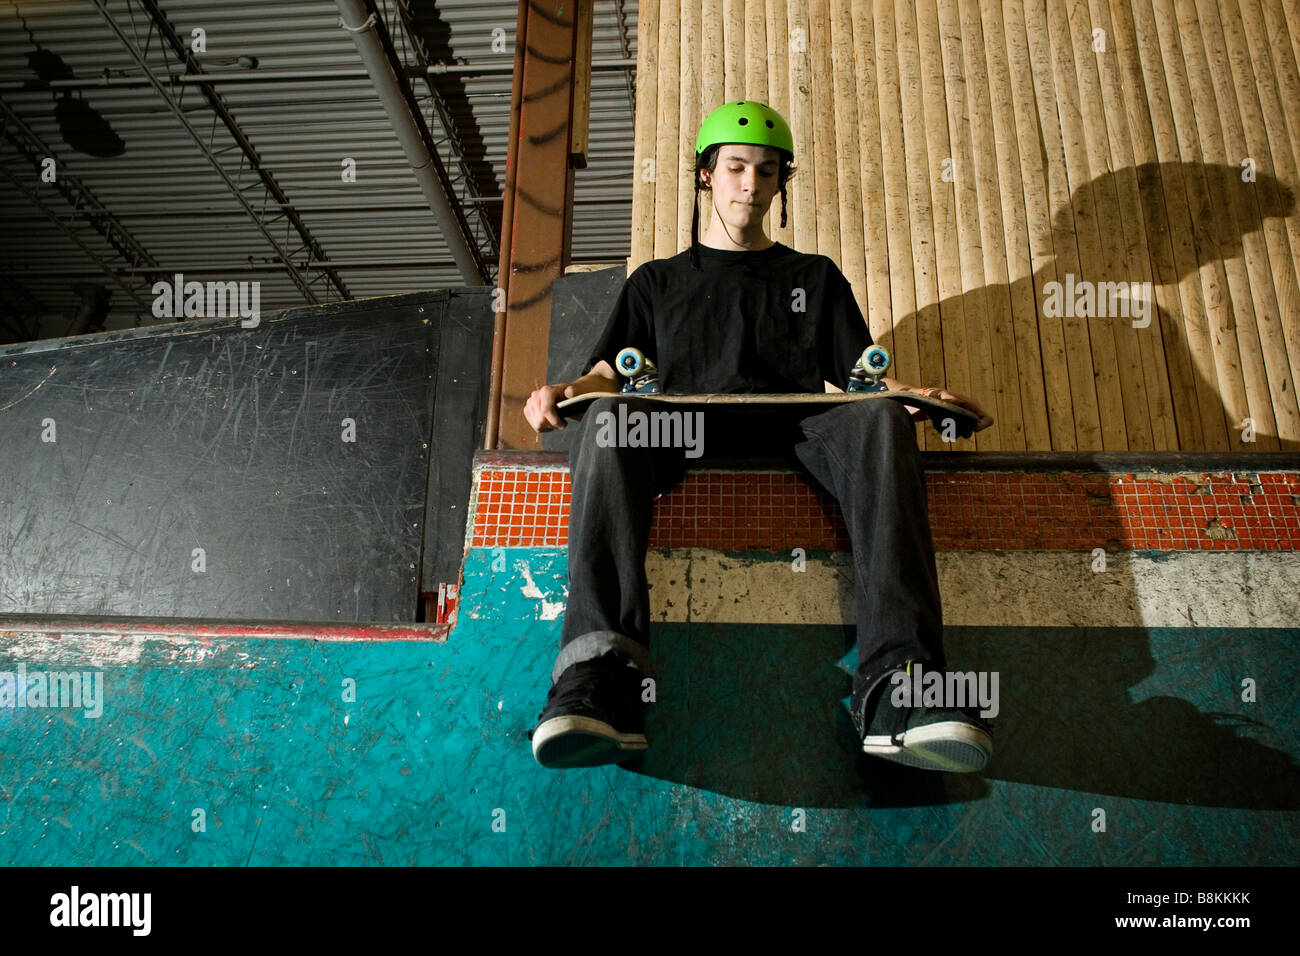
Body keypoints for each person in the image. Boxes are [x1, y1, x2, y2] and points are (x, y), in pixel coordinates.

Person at [523, 101, 993, 774]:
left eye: (767, 172)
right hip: (681, 426)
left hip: (795, 424)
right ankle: (601, 680)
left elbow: (864, 382)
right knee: (609, 416)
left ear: (779, 185)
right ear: (707, 176)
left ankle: (902, 688)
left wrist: (923, 398)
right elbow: (607, 374)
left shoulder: (814, 277)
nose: (751, 184)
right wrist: (565, 391)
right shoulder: (657, 282)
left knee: (882, 420)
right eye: (737, 168)